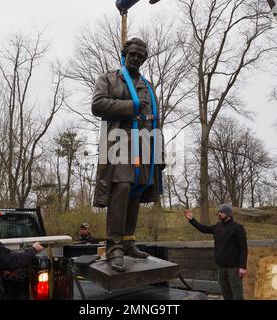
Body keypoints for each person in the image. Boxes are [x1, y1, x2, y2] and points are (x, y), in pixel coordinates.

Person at [91, 38, 164, 272]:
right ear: (124, 54)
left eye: (140, 57)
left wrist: (159, 152)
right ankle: (114, 247)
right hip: (120, 143)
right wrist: (130, 107)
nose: (136, 59)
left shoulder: (147, 86)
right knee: (121, 187)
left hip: (144, 144)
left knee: (138, 189)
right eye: (132, 54)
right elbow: (97, 105)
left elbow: (156, 119)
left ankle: (128, 240)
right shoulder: (109, 78)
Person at [183, 204, 248, 300]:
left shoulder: (237, 228)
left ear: (228, 214)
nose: (219, 214)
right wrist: (192, 220)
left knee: (237, 294)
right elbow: (203, 229)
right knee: (226, 293)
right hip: (221, 267)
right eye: (219, 212)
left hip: (234, 268)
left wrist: (243, 267)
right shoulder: (218, 226)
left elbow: (243, 248)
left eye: (221, 212)